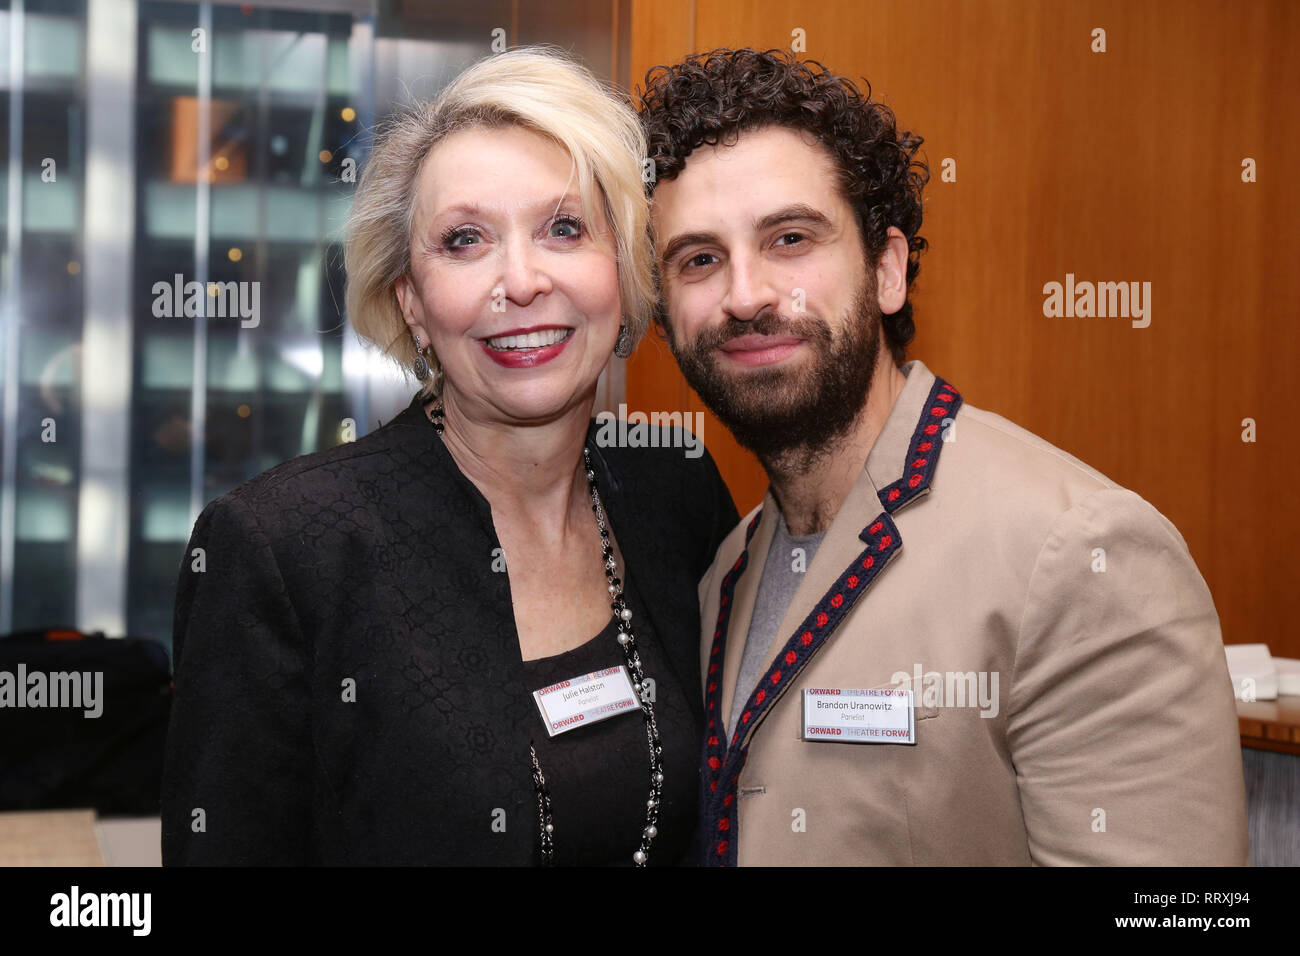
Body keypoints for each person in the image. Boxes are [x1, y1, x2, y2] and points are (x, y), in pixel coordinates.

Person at [639, 48, 1248, 865]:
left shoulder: (1079, 554)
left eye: (790, 238)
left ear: (887, 269)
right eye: (699, 259)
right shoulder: (725, 572)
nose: (745, 295)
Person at [161, 47, 737, 866]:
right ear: (412, 303)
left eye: (564, 228)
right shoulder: (281, 550)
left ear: (623, 268)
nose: (521, 280)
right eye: (465, 241)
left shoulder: (673, 489)